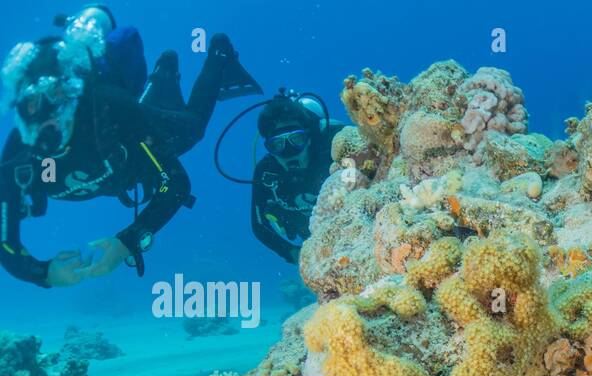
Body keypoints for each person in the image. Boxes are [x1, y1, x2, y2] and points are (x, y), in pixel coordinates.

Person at [0, 6, 261, 287]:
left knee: (192, 127)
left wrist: (129, 240)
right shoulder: (19, 156)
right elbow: (5, 241)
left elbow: (173, 183)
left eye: (55, 97)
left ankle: (218, 55)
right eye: (31, 105)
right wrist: (43, 272)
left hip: (133, 133)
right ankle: (164, 74)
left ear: (72, 92)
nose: (44, 118)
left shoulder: (110, 110)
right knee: (151, 118)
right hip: (124, 160)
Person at [250, 94, 342, 263]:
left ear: (308, 138)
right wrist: (292, 253)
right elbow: (259, 225)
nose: (288, 151)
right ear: (269, 149)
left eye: (296, 139)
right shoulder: (266, 172)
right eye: (277, 144)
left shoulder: (332, 150)